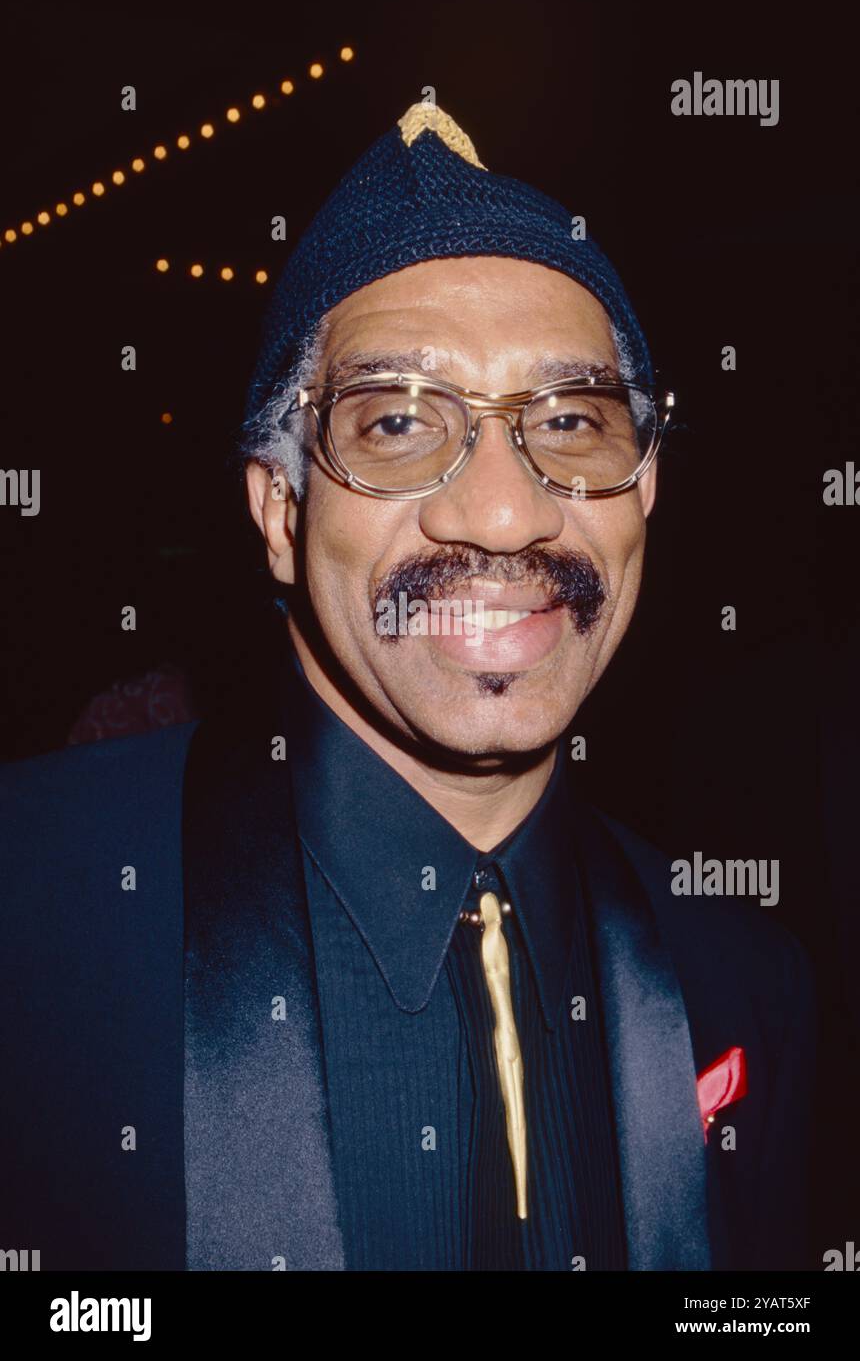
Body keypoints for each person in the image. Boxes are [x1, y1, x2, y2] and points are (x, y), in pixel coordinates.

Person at [0, 102, 815, 1272]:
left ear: (642, 491)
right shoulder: (32, 915)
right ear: (281, 513)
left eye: (571, 420)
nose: (502, 510)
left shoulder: (741, 981)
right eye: (394, 421)